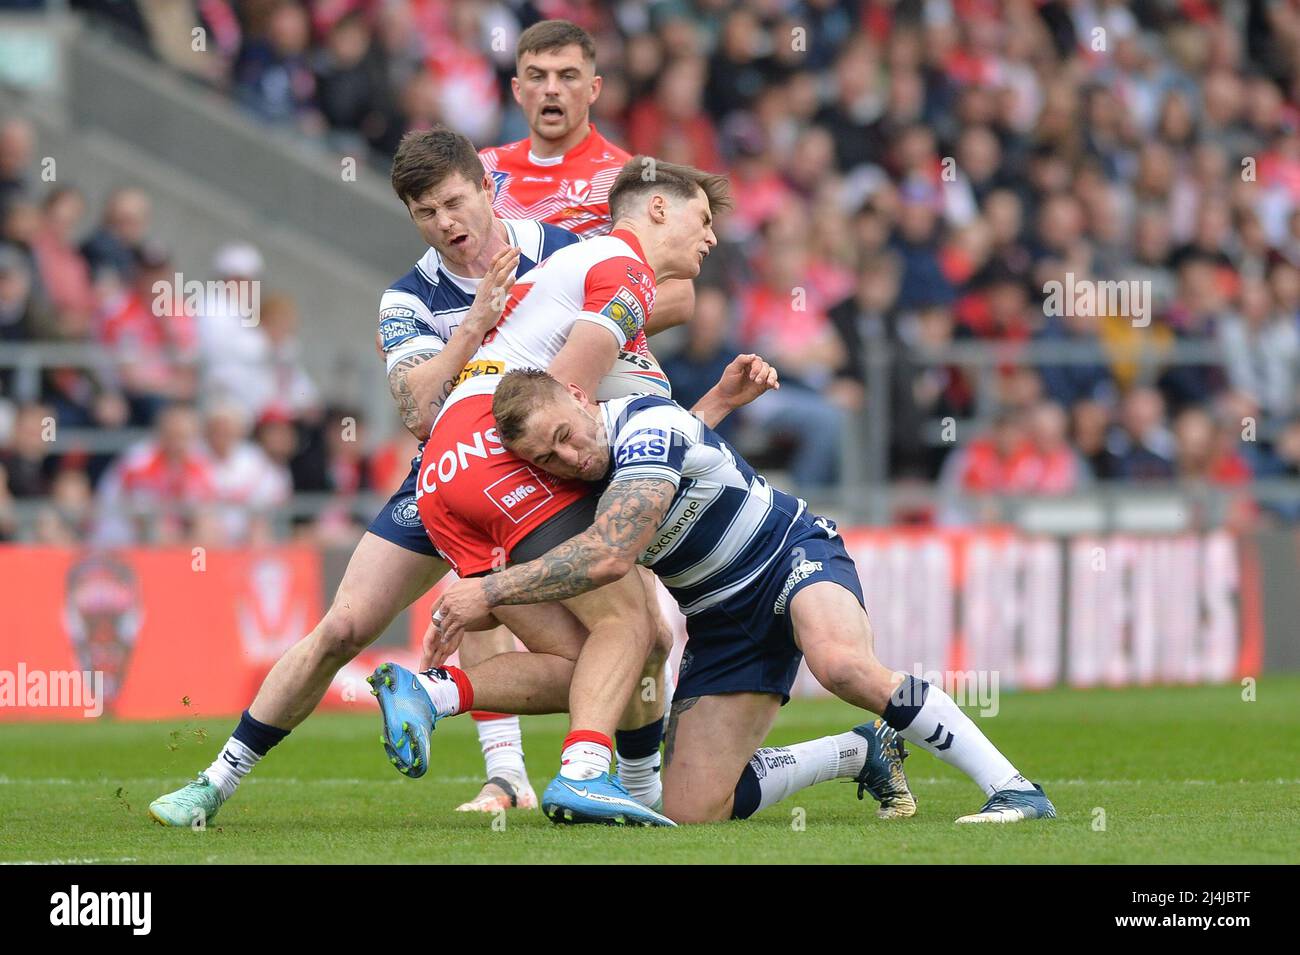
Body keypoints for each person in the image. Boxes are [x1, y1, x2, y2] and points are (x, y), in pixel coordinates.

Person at [147, 127, 564, 826]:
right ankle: (213, 783)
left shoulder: (561, 254)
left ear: (487, 188)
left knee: (604, 632)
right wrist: (473, 328)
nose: (446, 224)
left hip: (547, 482)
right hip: (446, 482)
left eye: (456, 203)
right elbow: (414, 407)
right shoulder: (407, 298)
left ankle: (560, 774)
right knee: (341, 626)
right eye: (426, 213)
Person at [427, 369, 1056, 826]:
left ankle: (1015, 790)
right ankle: (858, 751)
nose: (570, 457)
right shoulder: (586, 472)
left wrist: (488, 591)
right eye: (548, 456)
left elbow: (611, 552)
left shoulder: (645, 423)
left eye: (566, 434)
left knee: (839, 664)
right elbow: (690, 447)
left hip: (790, 554)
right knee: (695, 811)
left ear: (578, 394)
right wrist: (722, 400)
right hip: (720, 618)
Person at [369, 157, 754, 827]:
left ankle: (432, 693)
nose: (712, 237)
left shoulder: (569, 273)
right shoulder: (624, 269)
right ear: (659, 209)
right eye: (704, 218)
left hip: (445, 472)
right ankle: (584, 771)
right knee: (630, 622)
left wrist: (709, 409)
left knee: (582, 662)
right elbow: (563, 409)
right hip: (501, 453)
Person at [459, 19, 698, 807]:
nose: (553, 89)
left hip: (605, 390)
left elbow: (682, 290)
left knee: (635, 610)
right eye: (538, 75)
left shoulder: (629, 175)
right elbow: (454, 281)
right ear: (517, 86)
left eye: (569, 75)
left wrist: (583, 327)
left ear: (594, 88)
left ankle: (634, 774)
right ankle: (506, 773)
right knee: (484, 571)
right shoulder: (484, 175)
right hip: (499, 390)